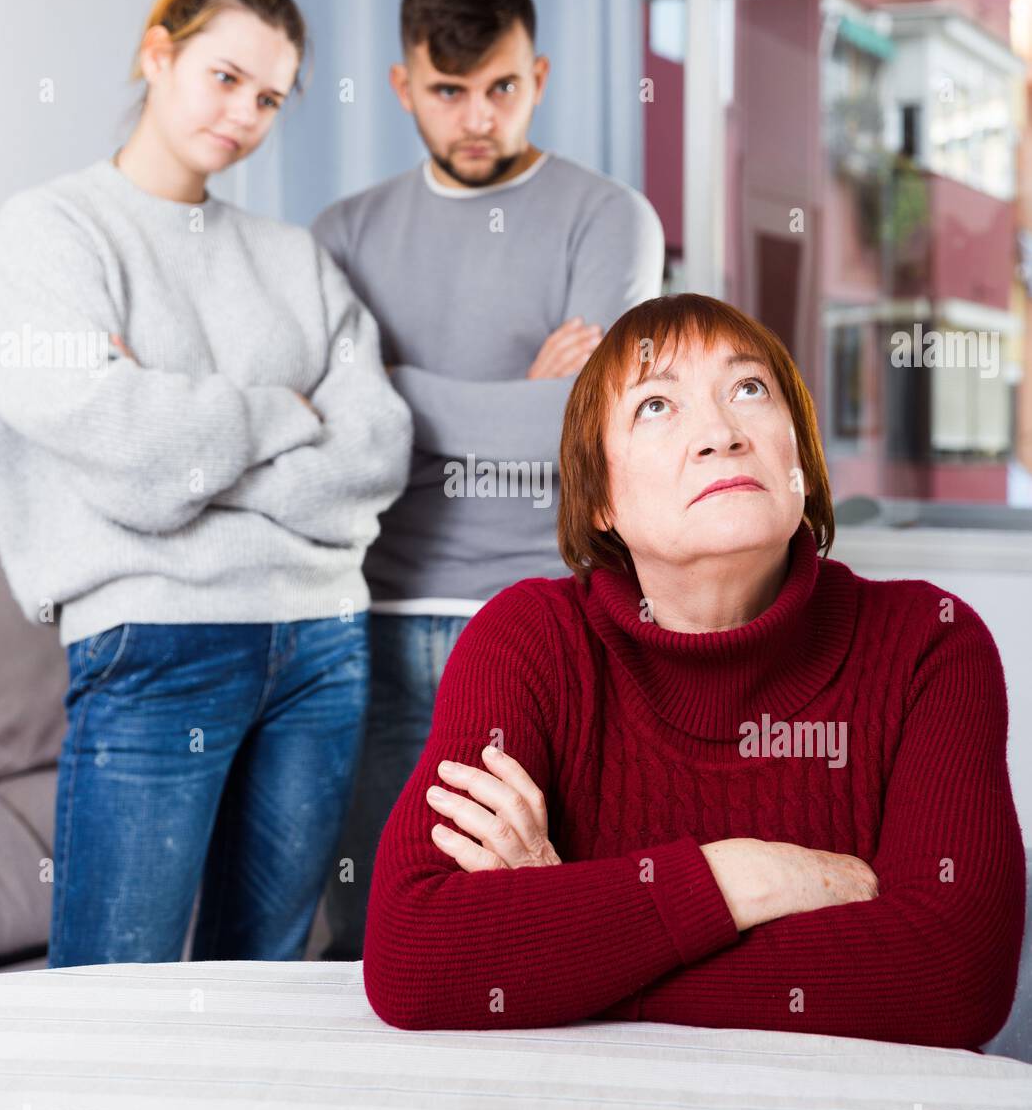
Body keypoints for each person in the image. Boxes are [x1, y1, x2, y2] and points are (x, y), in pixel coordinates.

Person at [361, 292, 1025, 1050]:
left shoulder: (928, 645)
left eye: (748, 391)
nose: (719, 434)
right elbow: (415, 956)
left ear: (797, 456)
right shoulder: (527, 639)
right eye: (654, 406)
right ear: (600, 497)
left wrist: (565, 934)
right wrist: (738, 878)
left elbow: (953, 979)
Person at [0, 0, 412, 967]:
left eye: (269, 96)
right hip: (156, 642)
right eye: (223, 76)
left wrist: (195, 447)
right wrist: (280, 413)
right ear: (155, 54)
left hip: (321, 642)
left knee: (272, 975)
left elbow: (376, 446)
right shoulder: (53, 229)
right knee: (112, 986)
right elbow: (127, 445)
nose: (245, 114)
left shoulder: (292, 254)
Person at [312, 0, 665, 958]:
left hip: (551, 610)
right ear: (401, 87)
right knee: (371, 932)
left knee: (545, 919)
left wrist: (393, 387)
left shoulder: (608, 217)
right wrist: (525, 399)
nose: (477, 119)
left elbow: (591, 430)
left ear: (539, 77)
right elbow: (336, 429)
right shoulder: (343, 233)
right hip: (375, 618)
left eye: (501, 88)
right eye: (448, 92)